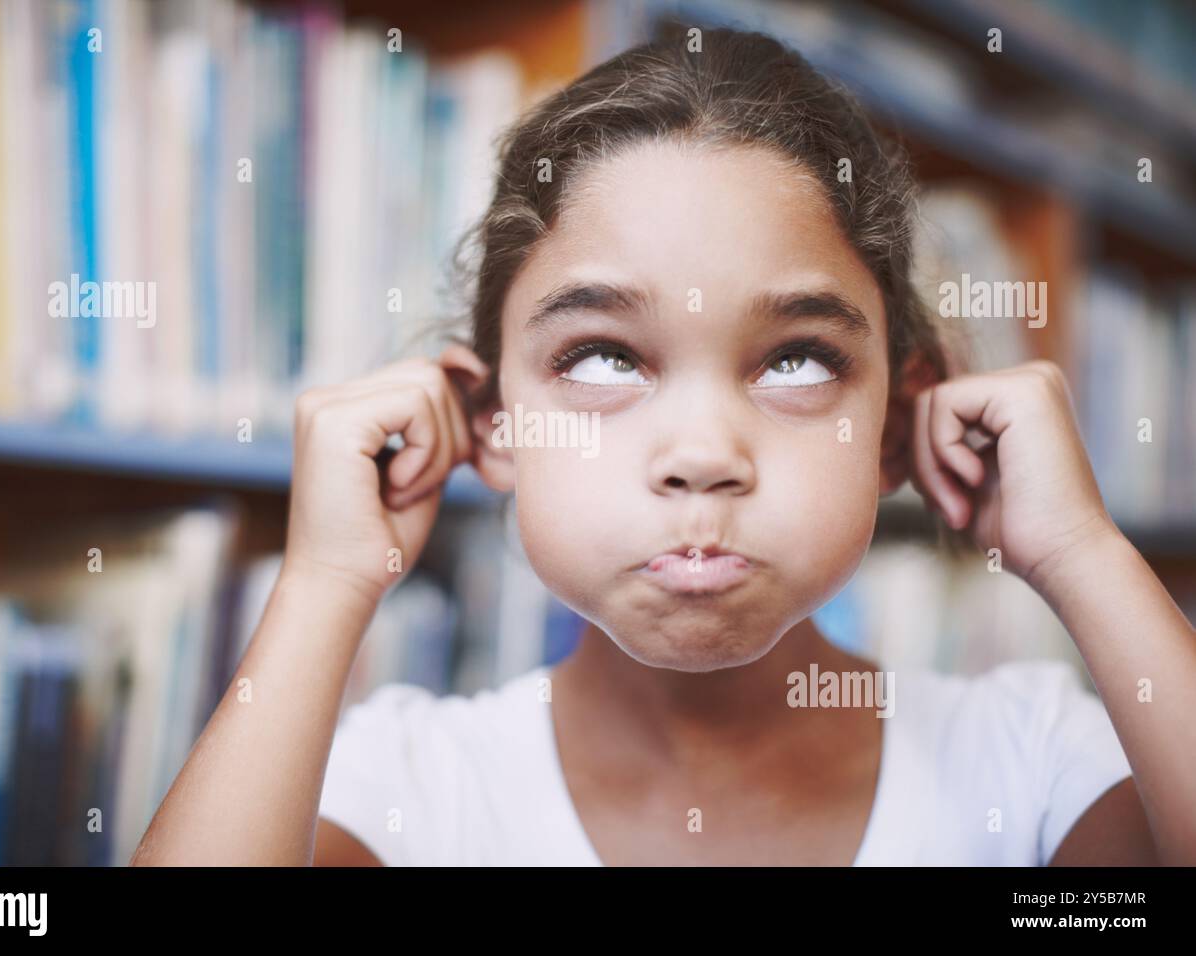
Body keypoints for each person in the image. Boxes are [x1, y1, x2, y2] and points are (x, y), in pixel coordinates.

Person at [131, 27, 1194, 866]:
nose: (699, 454)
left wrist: (1083, 553)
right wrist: (325, 579)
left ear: (895, 423)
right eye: (600, 358)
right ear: (492, 420)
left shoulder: (1035, 764)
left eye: (795, 360)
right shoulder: (402, 784)